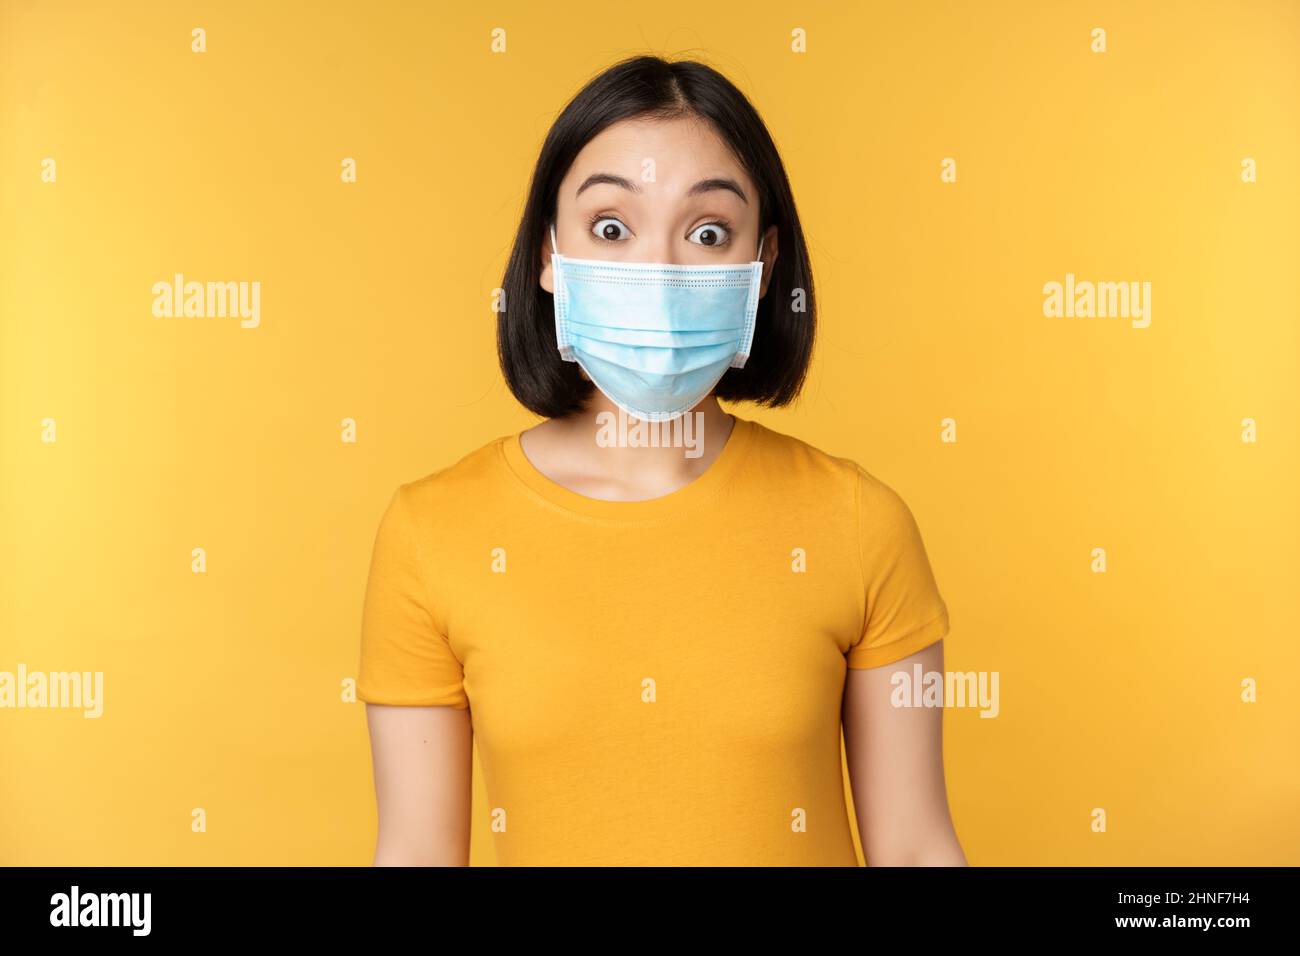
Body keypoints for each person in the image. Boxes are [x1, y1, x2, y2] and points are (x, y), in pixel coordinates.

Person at [358, 54, 966, 866]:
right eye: (612, 228)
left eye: (708, 232)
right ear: (548, 255)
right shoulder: (432, 533)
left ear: (763, 265)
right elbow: (415, 856)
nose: (658, 271)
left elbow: (918, 849)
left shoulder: (859, 522)